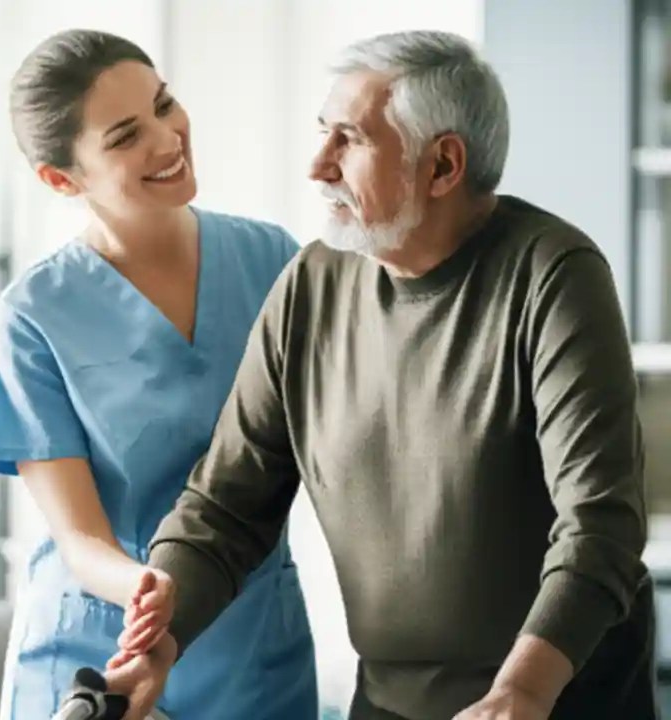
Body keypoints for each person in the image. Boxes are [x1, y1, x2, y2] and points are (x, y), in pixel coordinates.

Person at [108, 29, 654, 720]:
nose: (318, 165)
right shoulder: (310, 284)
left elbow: (600, 524)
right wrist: (158, 644)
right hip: (388, 702)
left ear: (443, 165)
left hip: (558, 700)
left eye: (349, 139)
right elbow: (225, 507)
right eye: (321, 133)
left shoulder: (553, 276)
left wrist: (524, 691)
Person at [0, 28, 318, 720]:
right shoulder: (31, 317)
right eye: (126, 136)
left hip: (255, 649)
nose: (168, 140)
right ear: (61, 178)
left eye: (165, 105)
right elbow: (80, 540)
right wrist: (154, 589)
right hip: (99, 650)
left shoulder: (277, 263)